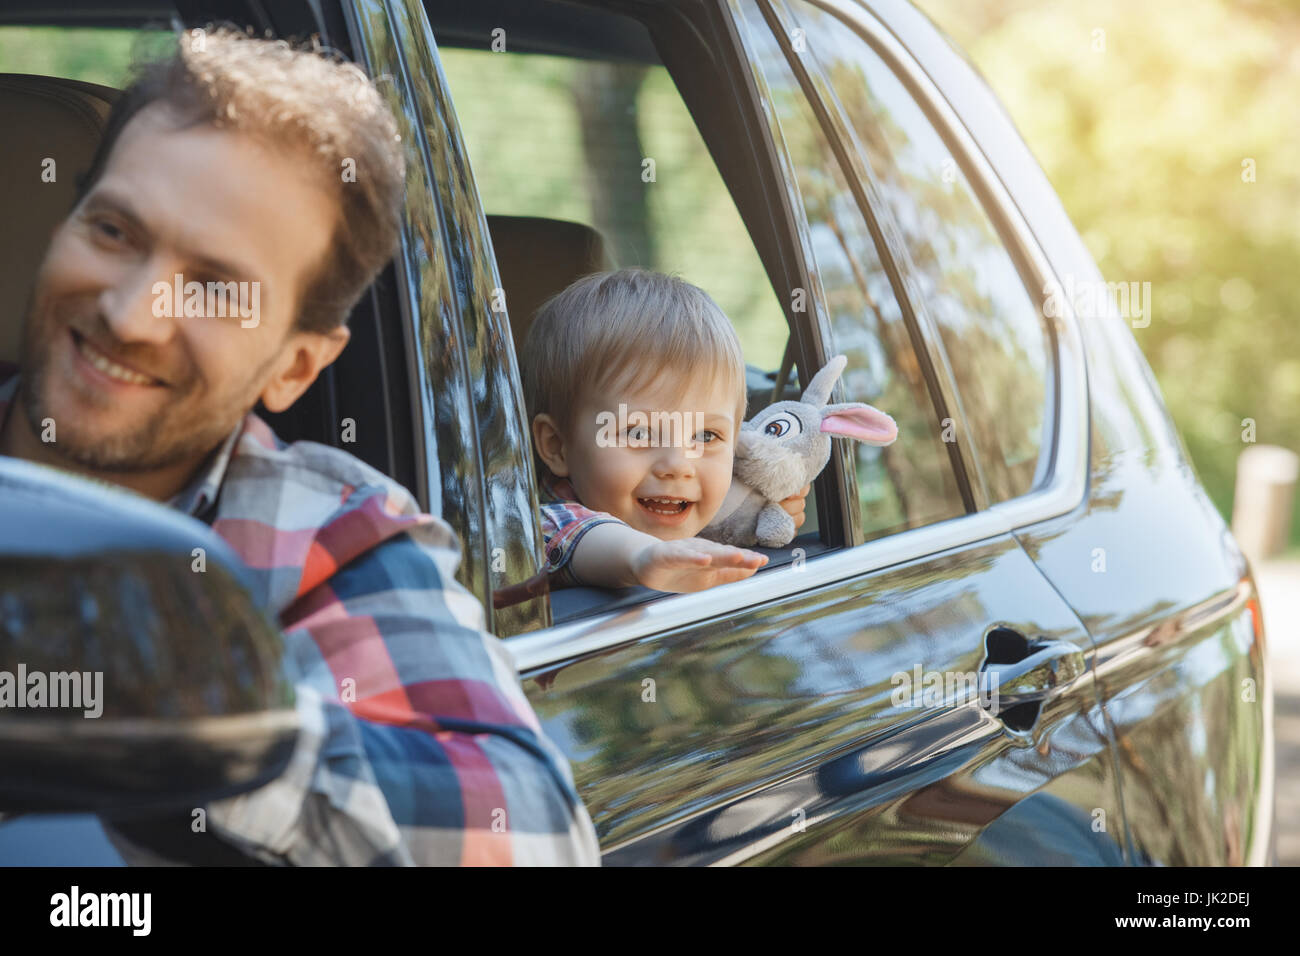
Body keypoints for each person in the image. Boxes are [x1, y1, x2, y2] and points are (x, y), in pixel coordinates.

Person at [0, 28, 600, 865]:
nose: (130, 313)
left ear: (295, 366)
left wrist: (187, 721)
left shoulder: (326, 537)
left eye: (214, 287)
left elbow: (536, 833)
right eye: (113, 231)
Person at [522, 268, 808, 593]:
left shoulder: (666, 499)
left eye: (704, 436)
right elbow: (582, 535)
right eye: (639, 433)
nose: (678, 465)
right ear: (557, 446)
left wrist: (757, 519)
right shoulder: (530, 526)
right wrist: (641, 555)